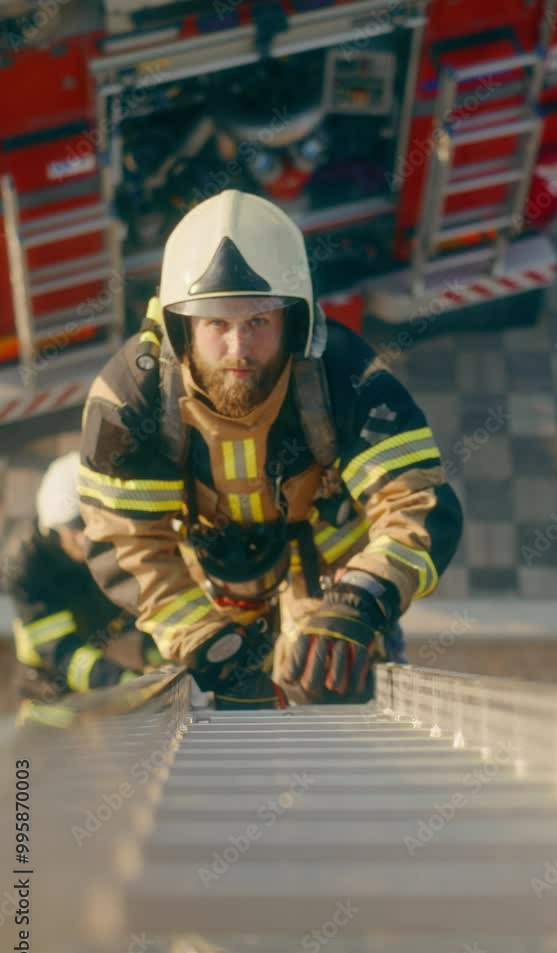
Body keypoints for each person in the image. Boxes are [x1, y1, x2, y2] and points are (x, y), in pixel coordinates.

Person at [79, 189, 463, 709]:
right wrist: (206, 644)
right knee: (229, 703)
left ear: (296, 320)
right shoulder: (130, 402)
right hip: (212, 576)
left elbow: (418, 505)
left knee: (330, 683)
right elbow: (127, 548)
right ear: (179, 326)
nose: (239, 348)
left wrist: (363, 599)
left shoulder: (346, 375)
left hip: (325, 563)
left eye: (259, 320)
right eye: (216, 322)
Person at [6, 452, 161, 701]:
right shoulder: (26, 564)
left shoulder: (112, 545)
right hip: (49, 685)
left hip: (118, 663)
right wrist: (123, 681)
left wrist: (152, 654)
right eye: (75, 528)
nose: (85, 539)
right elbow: (58, 651)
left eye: (91, 526)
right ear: (53, 526)